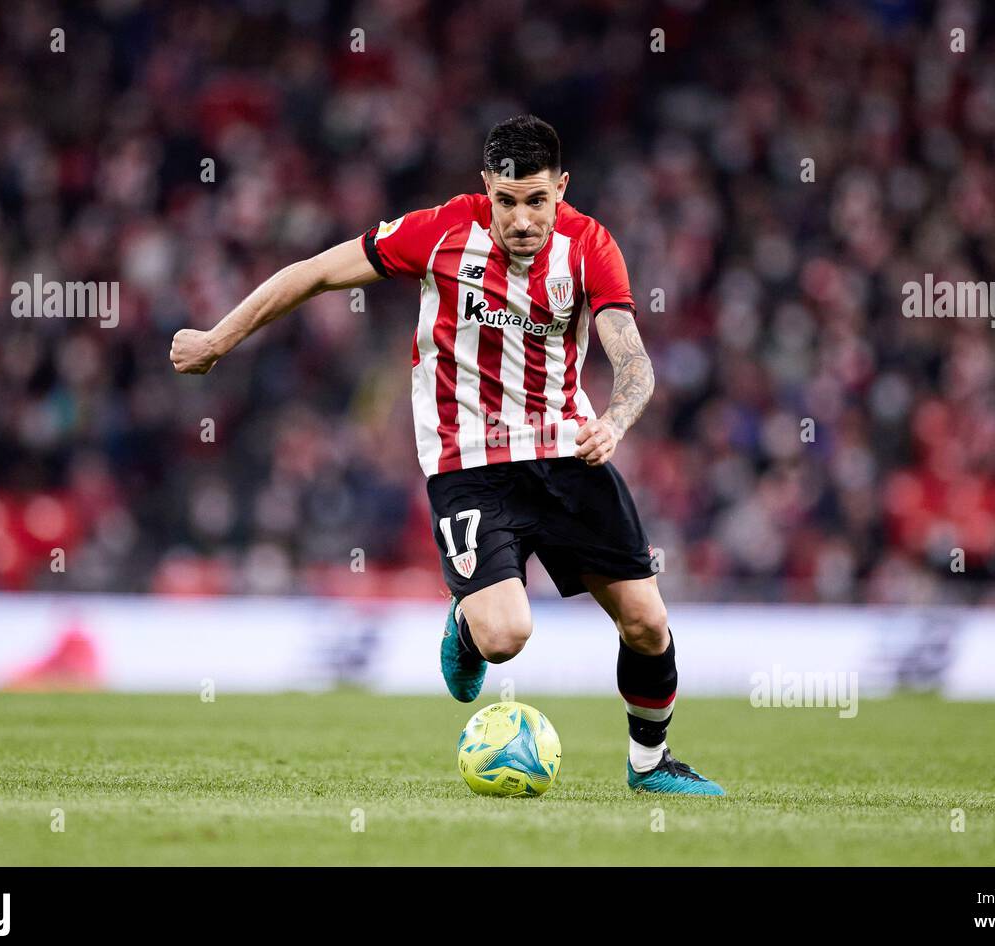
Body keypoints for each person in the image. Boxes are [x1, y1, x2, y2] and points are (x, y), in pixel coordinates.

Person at [171, 115, 724, 795]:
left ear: (563, 188)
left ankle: (650, 766)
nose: (522, 220)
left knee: (646, 622)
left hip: (566, 454)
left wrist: (615, 419)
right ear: (486, 186)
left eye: (538, 201)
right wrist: (218, 340)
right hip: (468, 464)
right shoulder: (437, 233)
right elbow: (316, 273)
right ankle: (466, 620)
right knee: (505, 637)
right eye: (507, 201)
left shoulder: (590, 246)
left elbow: (633, 360)